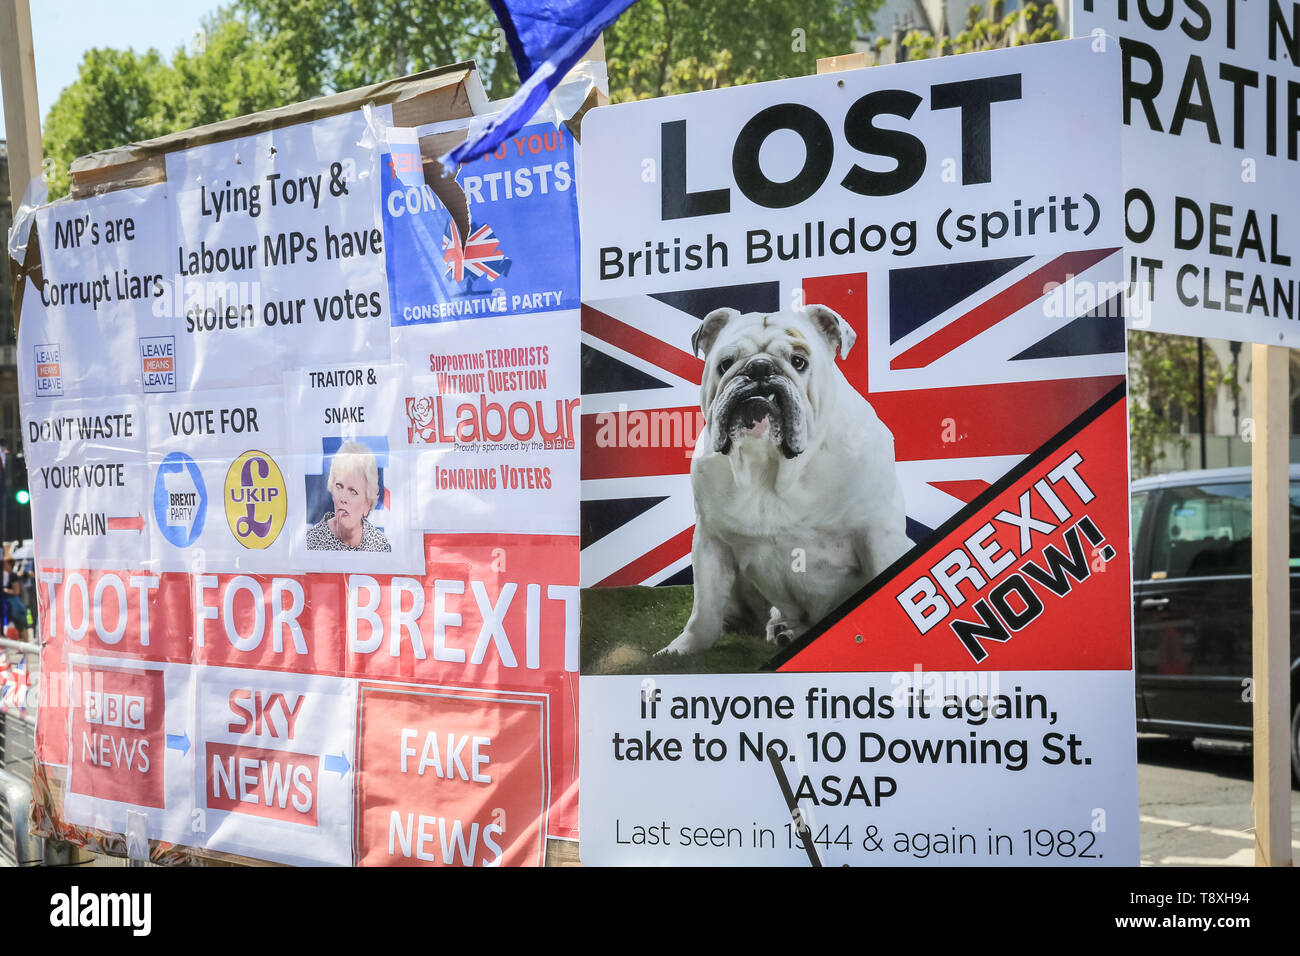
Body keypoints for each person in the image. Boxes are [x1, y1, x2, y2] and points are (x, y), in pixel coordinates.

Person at [306, 442, 392, 552]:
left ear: (367, 504)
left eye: (353, 491)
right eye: (339, 486)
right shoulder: (312, 542)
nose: (343, 499)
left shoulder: (380, 545)